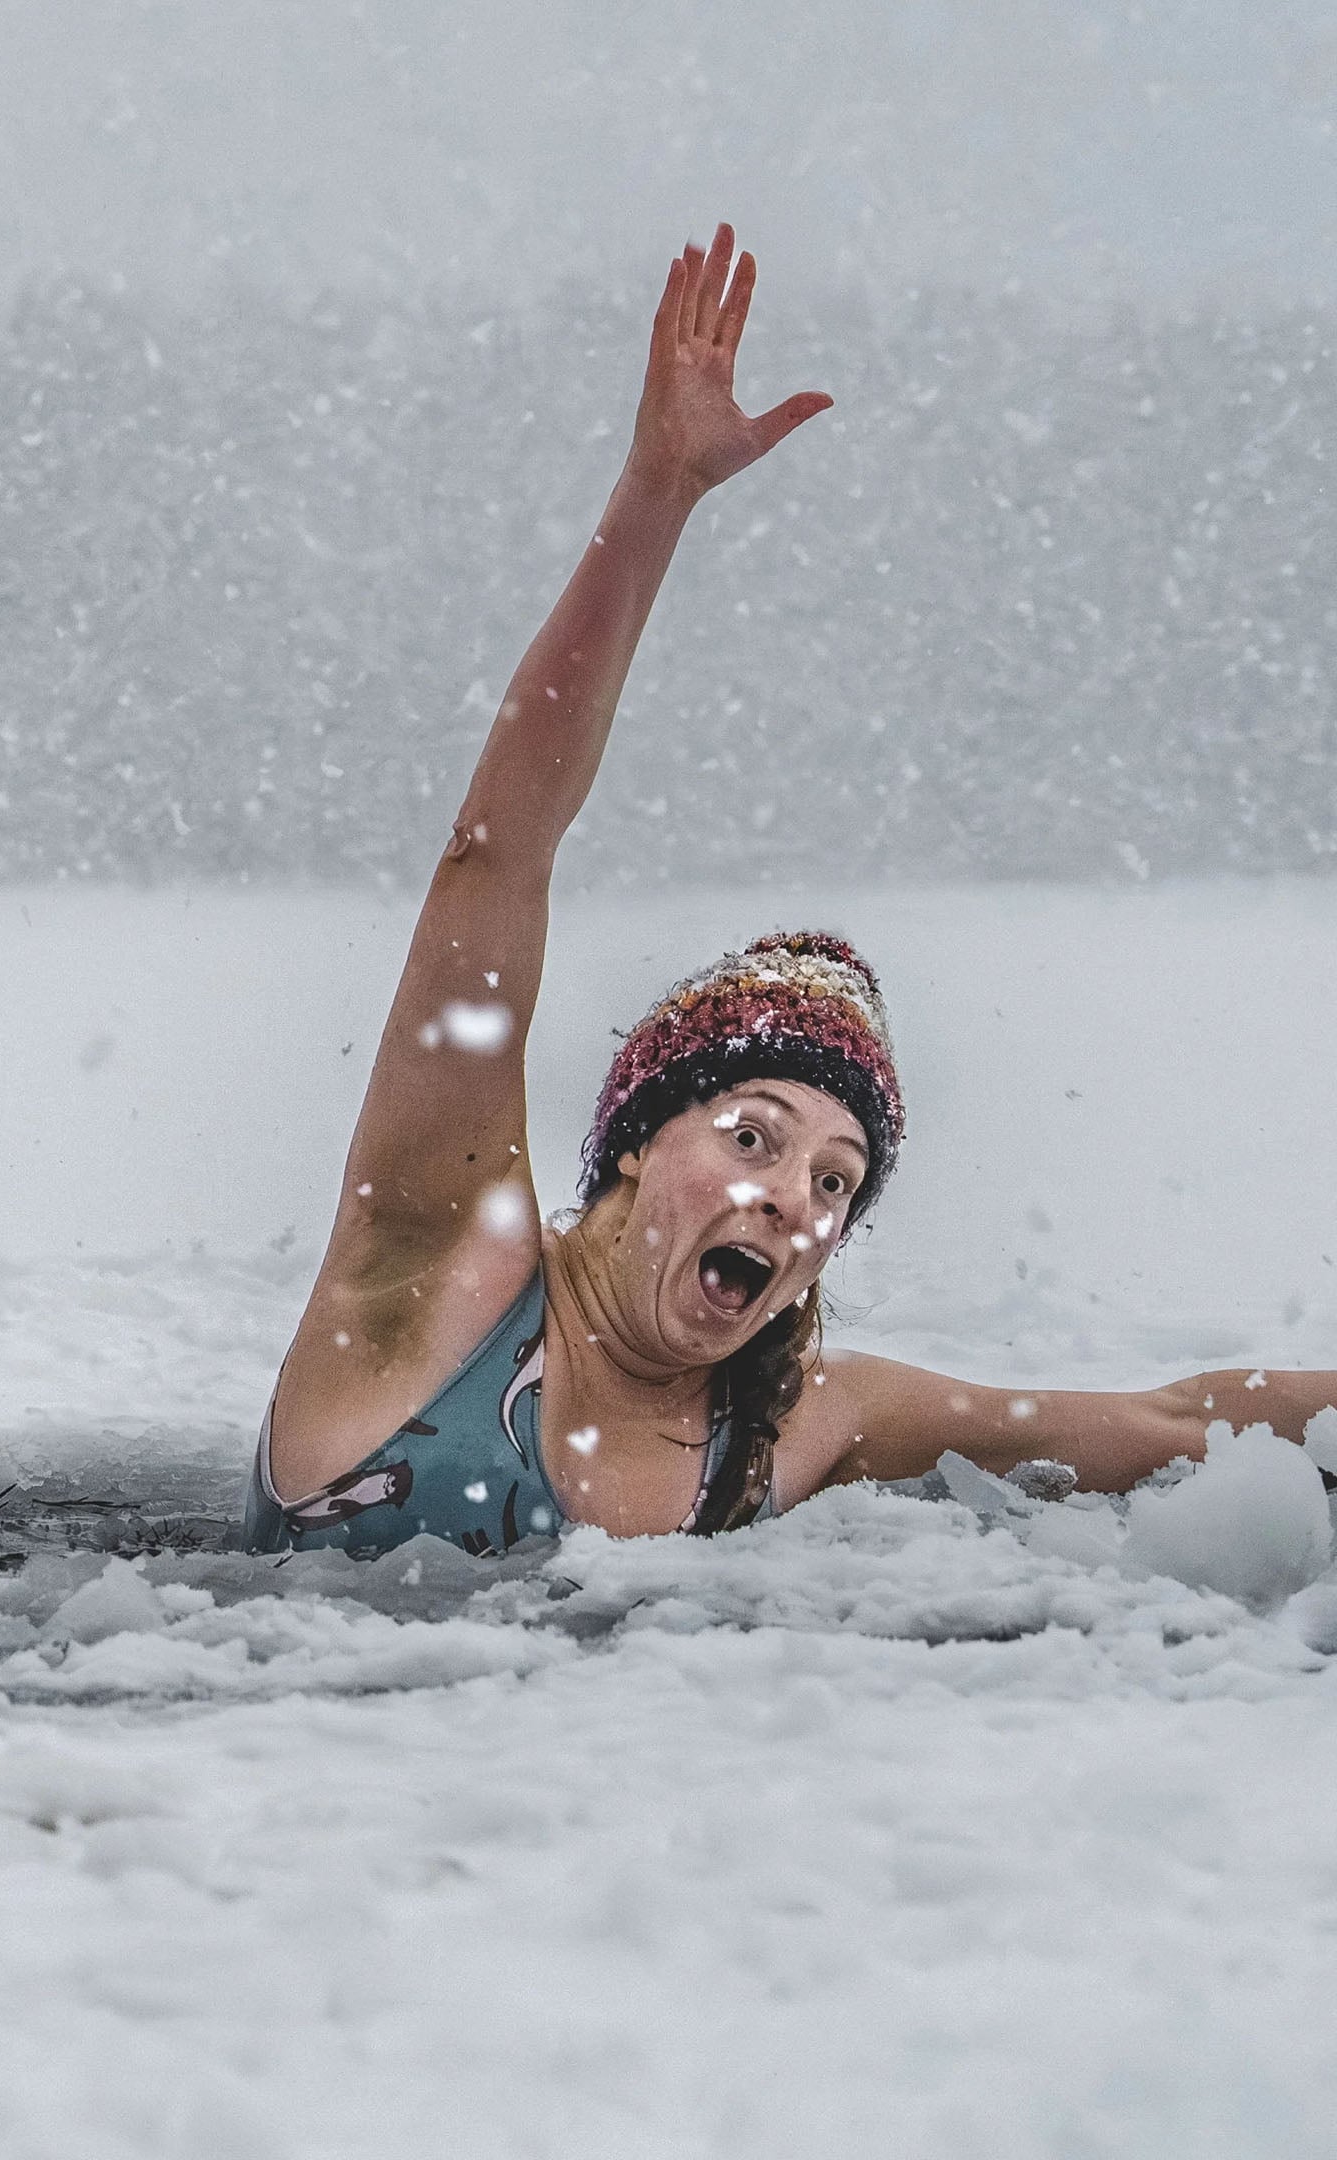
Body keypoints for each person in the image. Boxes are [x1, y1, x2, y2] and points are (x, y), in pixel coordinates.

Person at [251, 225, 1337, 1556]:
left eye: (836, 1182)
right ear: (641, 1143)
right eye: (755, 1138)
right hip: (259, 1733)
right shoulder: (438, 1267)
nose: (791, 1200)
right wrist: (654, 501)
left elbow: (1172, 1423)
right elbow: (499, 851)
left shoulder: (798, 1421)